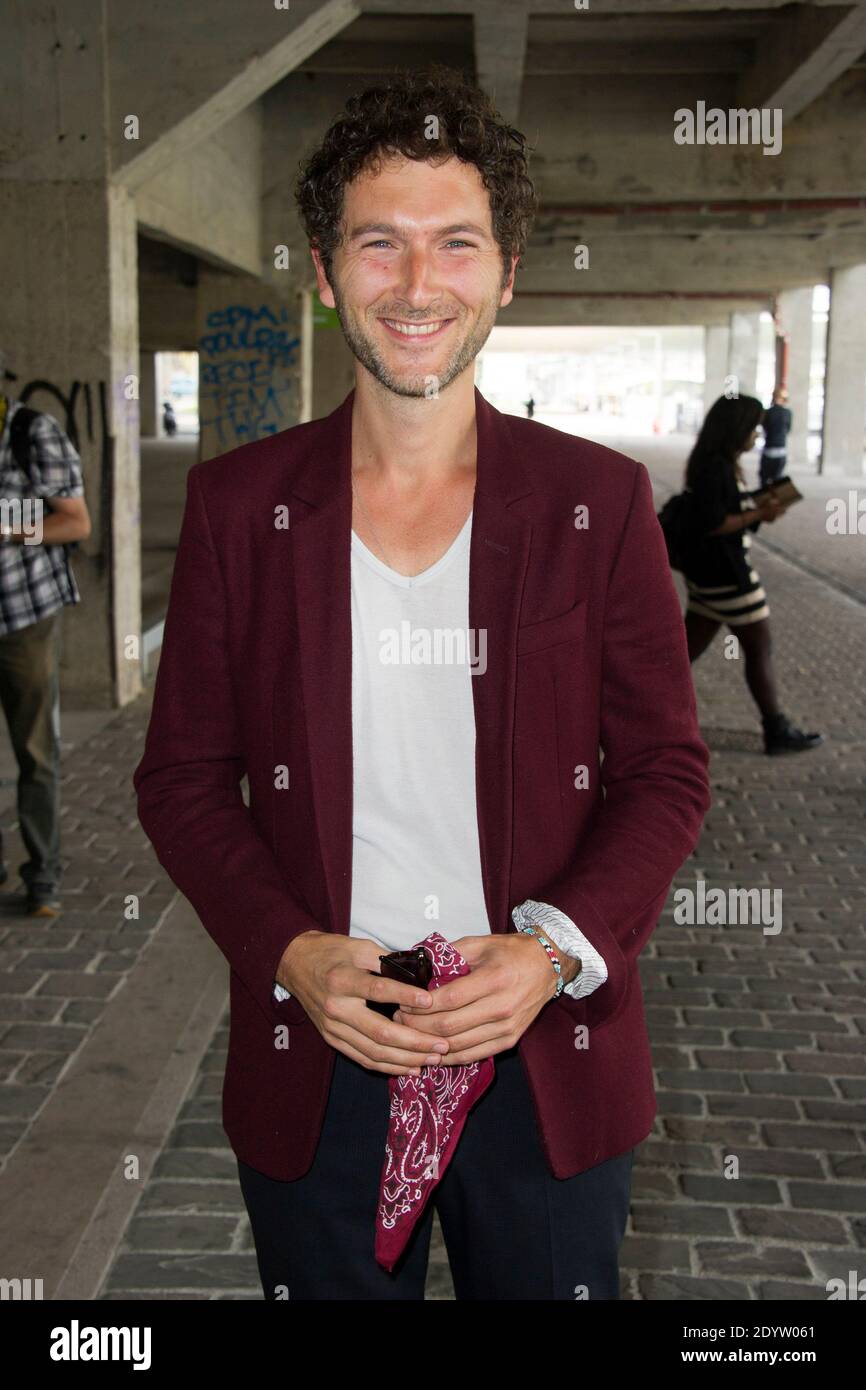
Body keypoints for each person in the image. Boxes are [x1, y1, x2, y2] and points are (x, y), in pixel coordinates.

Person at [133, 68, 711, 1301]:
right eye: (377, 243)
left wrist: (550, 953)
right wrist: (288, 951)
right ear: (323, 267)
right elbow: (182, 778)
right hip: (326, 1040)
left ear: (503, 273)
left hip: (538, 1039)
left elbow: (664, 767)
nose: (413, 284)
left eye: (454, 244)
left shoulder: (594, 502)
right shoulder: (240, 508)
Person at [679, 393, 822, 756]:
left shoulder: (715, 462)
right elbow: (713, 522)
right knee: (759, 649)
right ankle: (776, 729)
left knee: (679, 655)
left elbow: (720, 509)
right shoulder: (717, 467)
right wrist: (758, 515)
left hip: (710, 578)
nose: (758, 435)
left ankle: (637, 710)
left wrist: (759, 504)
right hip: (729, 579)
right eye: (754, 428)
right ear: (737, 428)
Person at [0, 363, 92, 914]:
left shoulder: (32, 433)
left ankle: (43, 877)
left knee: (34, 751)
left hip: (23, 618)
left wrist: (8, 527)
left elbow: (75, 523)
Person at [759, 387, 792, 488]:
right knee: (777, 480)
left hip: (768, 448)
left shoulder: (767, 412)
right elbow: (788, 429)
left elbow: (764, 427)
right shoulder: (787, 413)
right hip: (781, 449)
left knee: (764, 480)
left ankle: (764, 501)